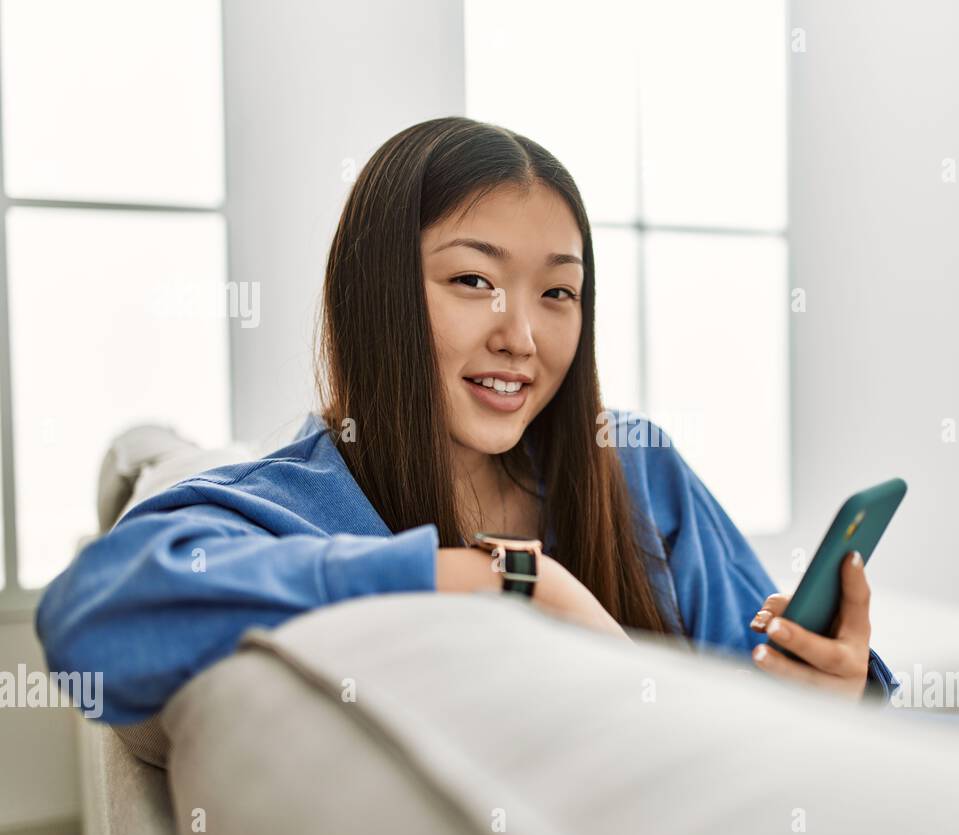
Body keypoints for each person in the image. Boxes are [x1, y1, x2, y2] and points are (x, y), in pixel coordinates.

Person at [35, 116, 896, 726]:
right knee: (165, 463)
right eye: (472, 281)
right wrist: (512, 583)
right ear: (376, 297)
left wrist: (841, 688)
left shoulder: (633, 467)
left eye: (558, 292)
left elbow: (765, 690)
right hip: (242, 467)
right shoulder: (295, 498)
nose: (520, 338)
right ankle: (144, 451)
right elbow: (95, 623)